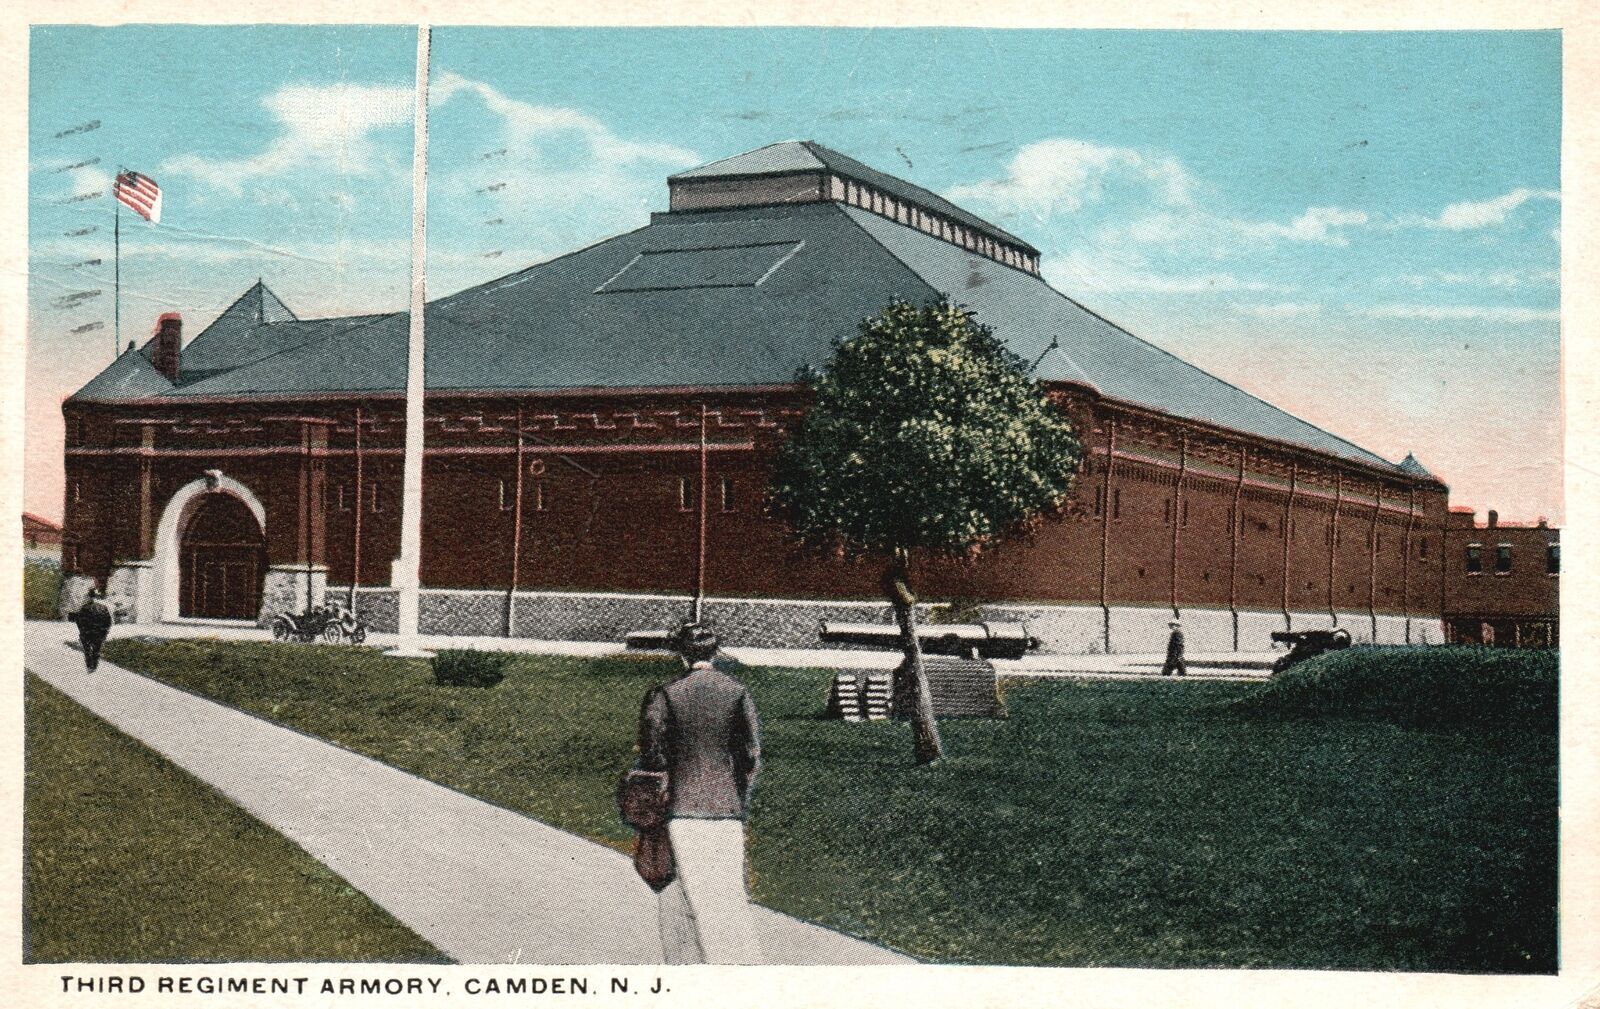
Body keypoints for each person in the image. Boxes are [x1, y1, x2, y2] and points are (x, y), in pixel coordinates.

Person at [636, 622, 763, 965]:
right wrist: (739, 795)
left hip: (681, 806)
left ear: (681, 654)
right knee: (723, 894)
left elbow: (652, 754)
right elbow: (750, 755)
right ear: (716, 653)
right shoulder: (737, 692)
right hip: (726, 807)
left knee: (684, 891)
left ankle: (697, 971)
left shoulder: (664, 694)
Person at [71, 588, 113, 673]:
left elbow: (80, 621)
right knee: (96, 649)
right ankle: (94, 665)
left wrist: (82, 632)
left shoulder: (85, 608)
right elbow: (108, 621)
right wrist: (105, 632)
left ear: (89, 596)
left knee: (87, 649)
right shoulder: (103, 608)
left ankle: (89, 665)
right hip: (99, 633)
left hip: (87, 633)